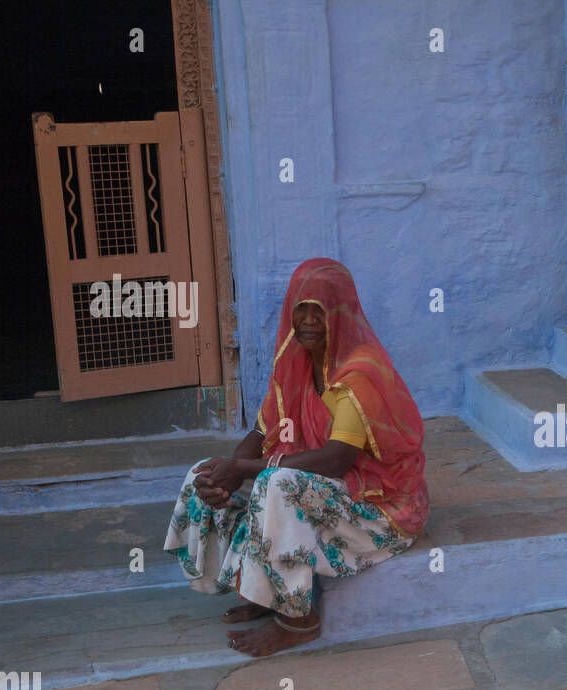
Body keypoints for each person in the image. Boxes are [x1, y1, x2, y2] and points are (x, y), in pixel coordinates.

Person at [164, 258, 428, 657]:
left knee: (278, 485)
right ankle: (259, 591)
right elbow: (262, 431)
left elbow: (337, 459)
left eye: (317, 310)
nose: (306, 321)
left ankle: (298, 621)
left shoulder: (359, 375)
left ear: (338, 313)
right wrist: (228, 474)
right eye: (300, 309)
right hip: (332, 494)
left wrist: (245, 469)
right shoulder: (298, 362)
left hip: (379, 509)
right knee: (203, 474)